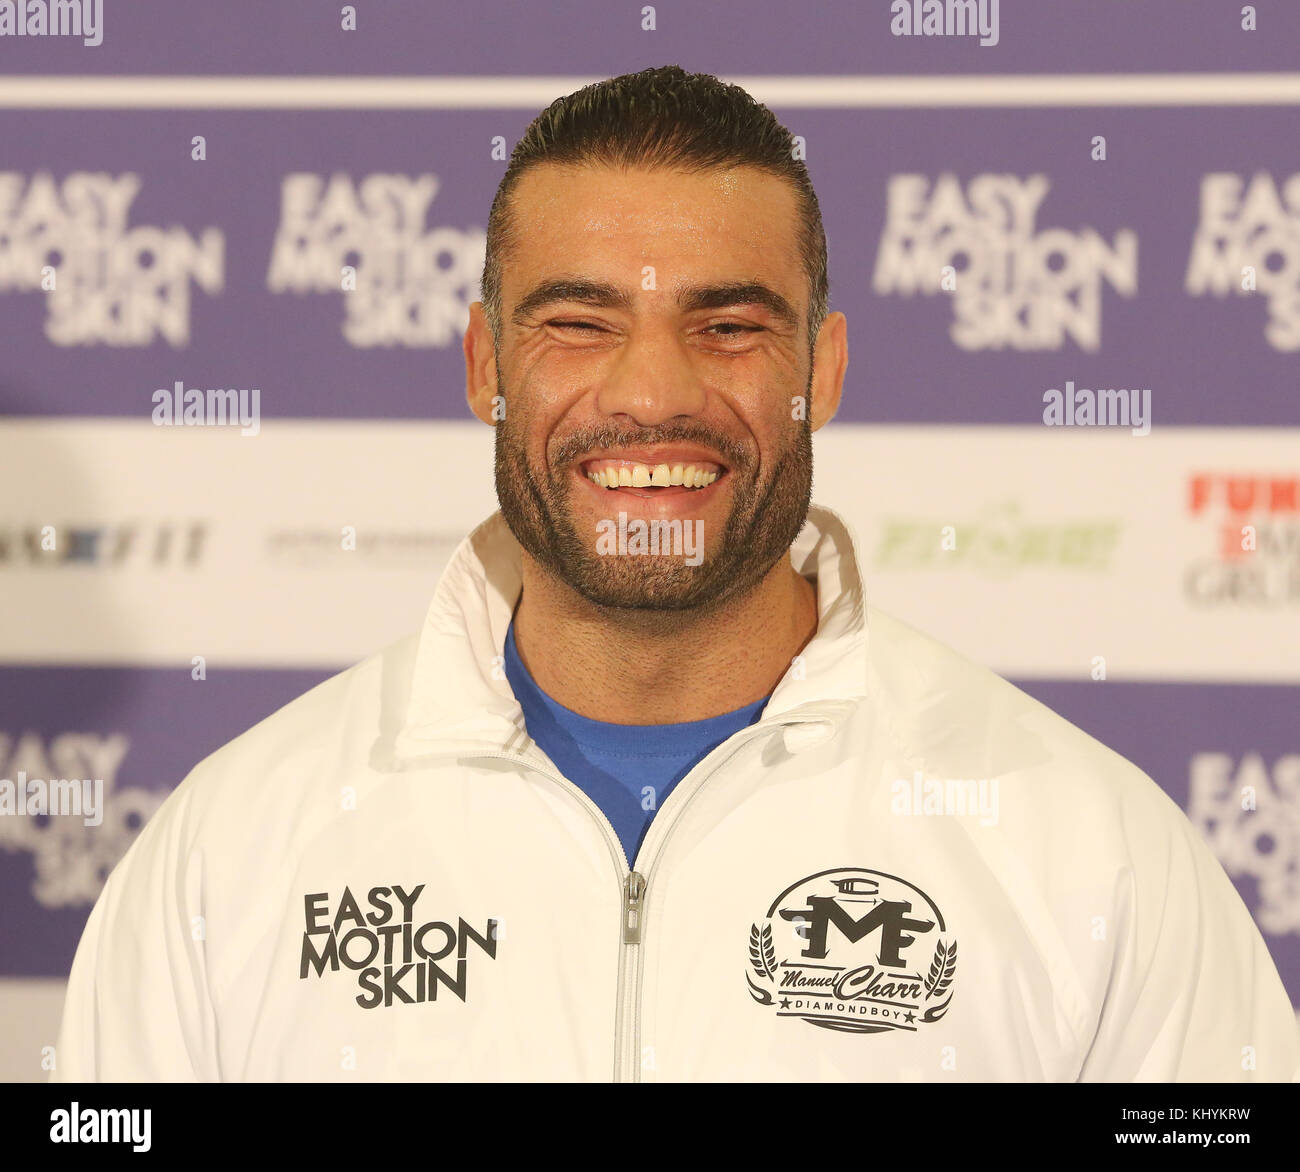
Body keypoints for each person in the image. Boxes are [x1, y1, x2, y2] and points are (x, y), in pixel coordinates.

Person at [54, 65, 1297, 1082]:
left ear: (828, 368)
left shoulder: (1089, 852)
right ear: (486, 363)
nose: (651, 394)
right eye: (580, 323)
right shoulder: (233, 852)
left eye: (730, 325)